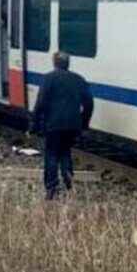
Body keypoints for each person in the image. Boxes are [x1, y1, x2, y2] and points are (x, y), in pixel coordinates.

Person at [28, 51, 94, 199]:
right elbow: (89, 104)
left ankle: (51, 188)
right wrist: (84, 123)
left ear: (54, 63)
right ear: (68, 63)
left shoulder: (48, 79)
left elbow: (41, 104)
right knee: (65, 152)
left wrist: (33, 125)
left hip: (53, 124)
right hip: (72, 125)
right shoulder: (78, 79)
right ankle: (69, 183)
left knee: (51, 155)